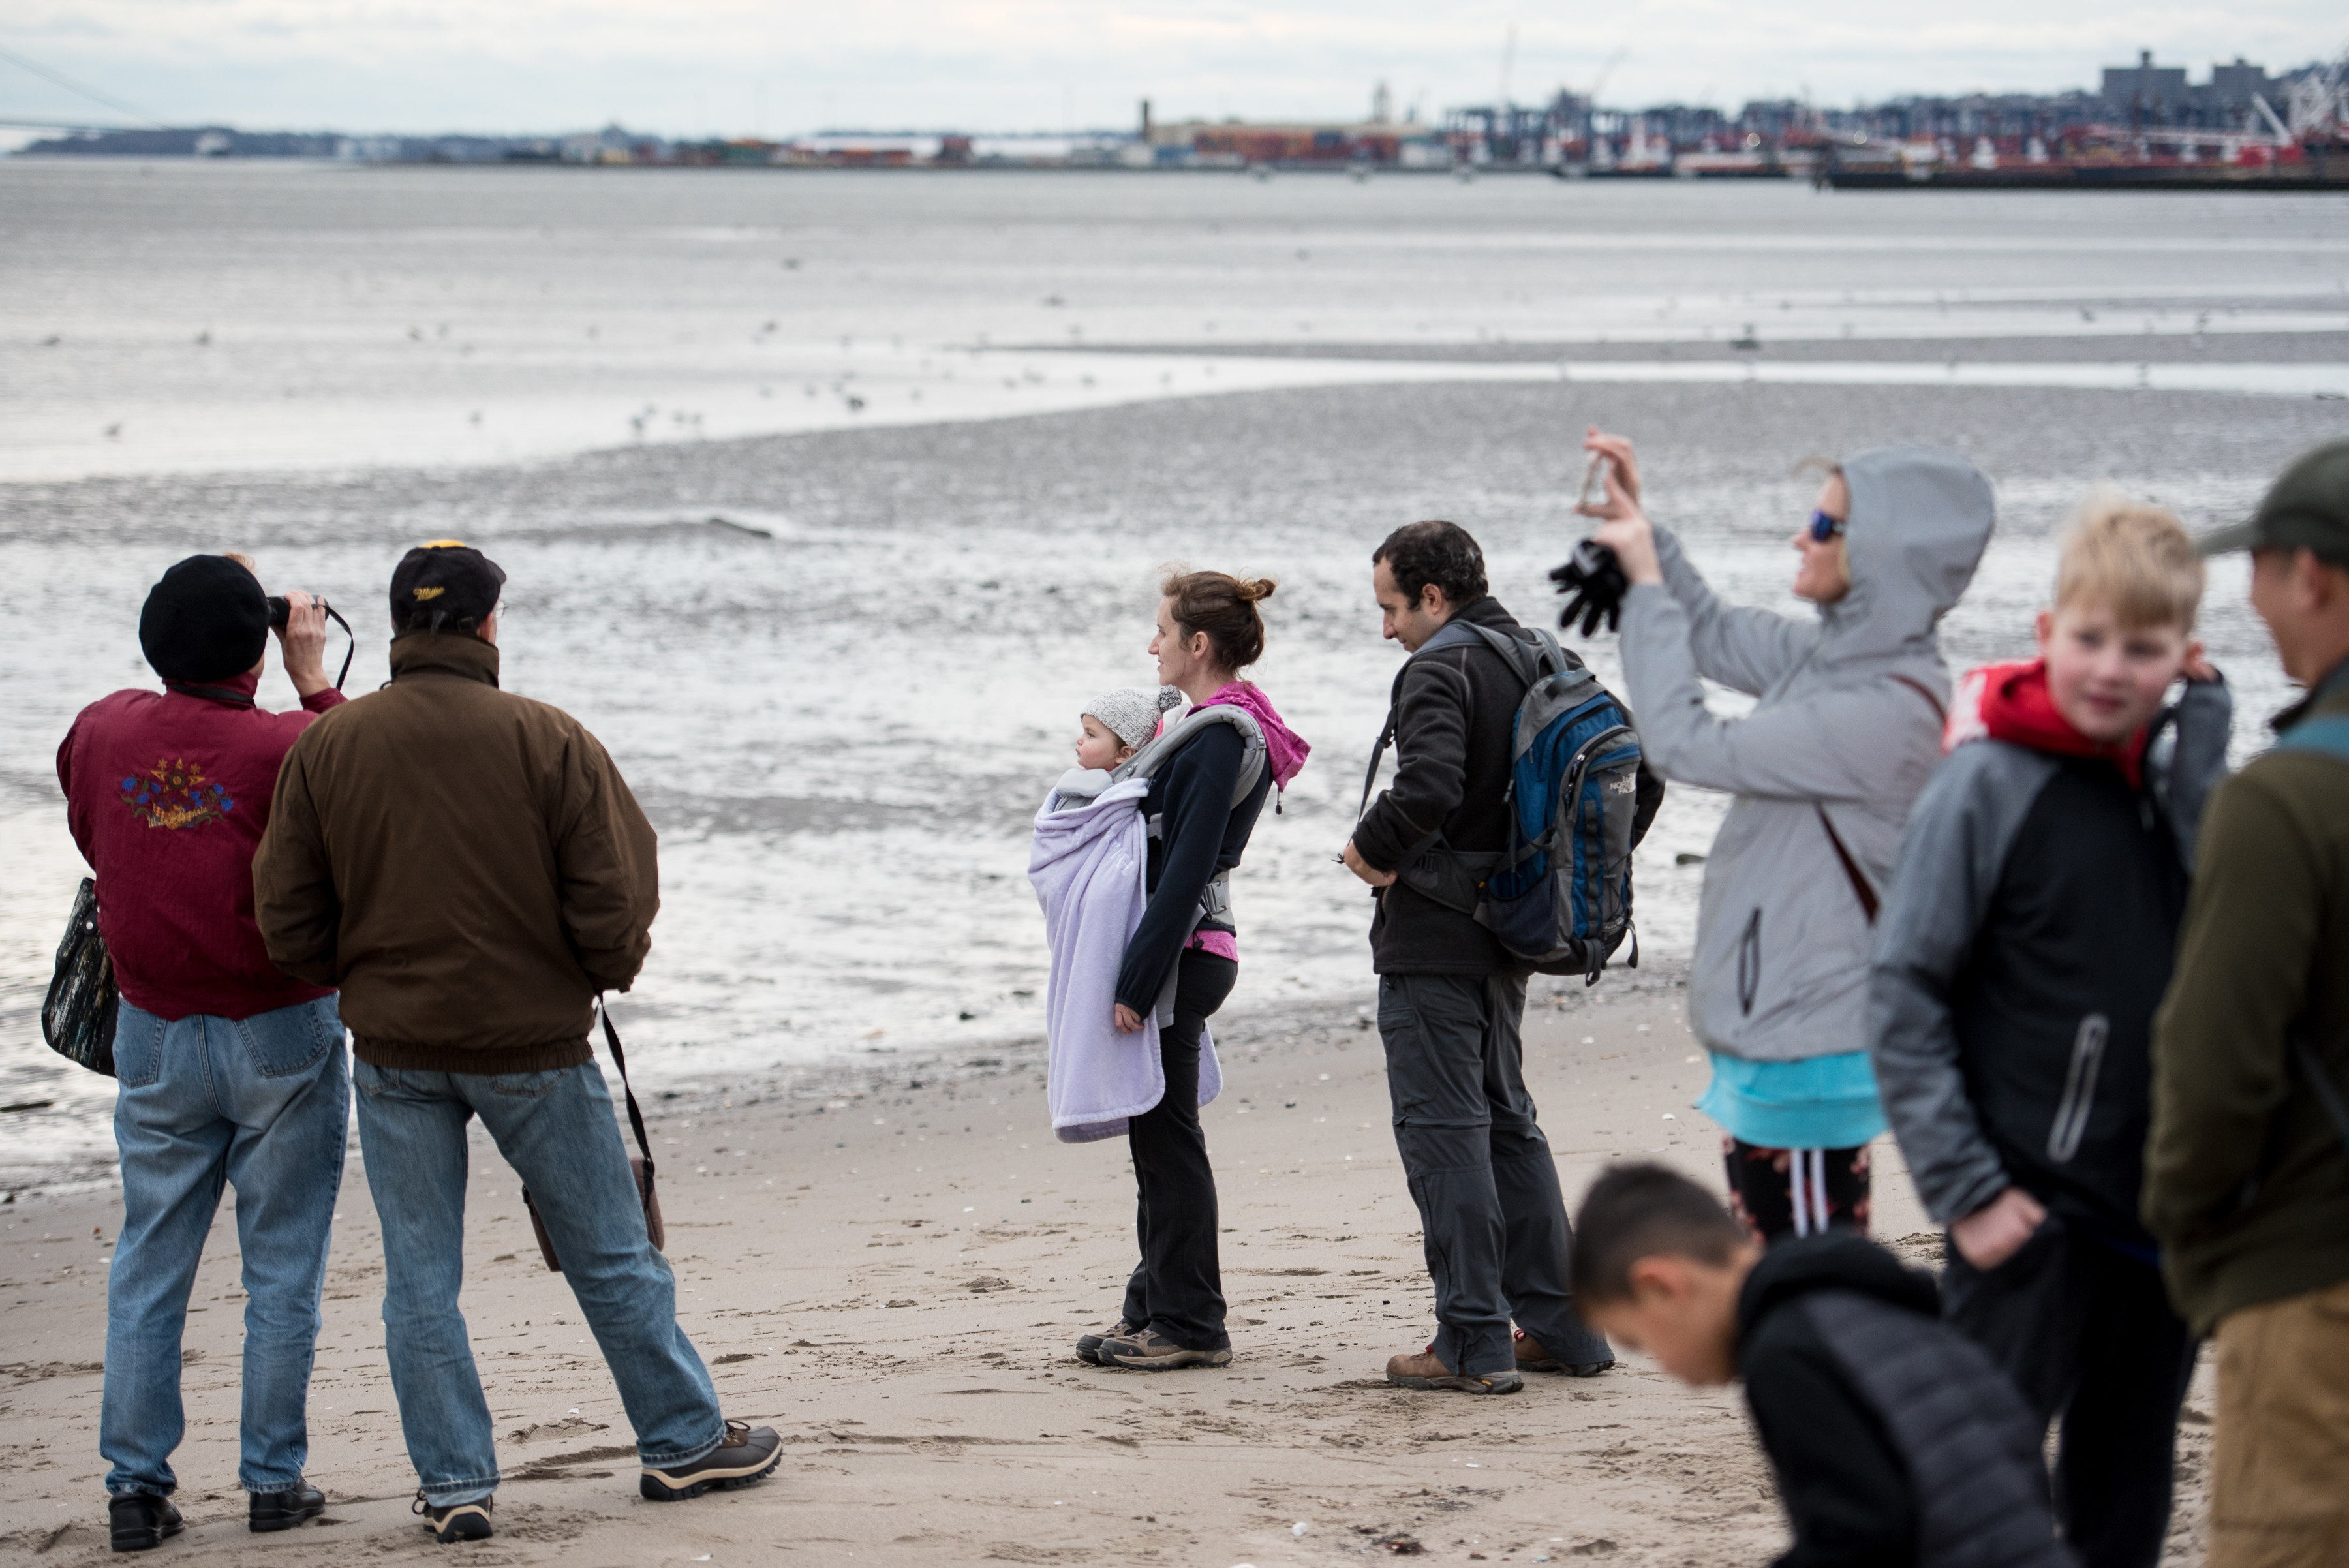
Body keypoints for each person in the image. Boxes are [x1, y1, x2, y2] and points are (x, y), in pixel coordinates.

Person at [251, 541, 778, 1543]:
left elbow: (286, 913)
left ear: (399, 627)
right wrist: (594, 972)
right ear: (490, 625)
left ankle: (455, 1482)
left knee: (422, 1279)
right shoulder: (549, 736)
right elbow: (617, 896)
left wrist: (357, 975)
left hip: (396, 1049)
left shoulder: (330, 745)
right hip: (534, 1044)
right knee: (613, 1254)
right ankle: (681, 1440)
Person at [1869, 497, 2227, 1568]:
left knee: (2125, 1489)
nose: (2111, 669)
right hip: (2024, 1212)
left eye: (2143, 648)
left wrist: (2200, 748)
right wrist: (1968, 1189)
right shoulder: (1988, 782)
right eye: (2090, 639)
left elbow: (2232, 955)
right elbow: (1901, 990)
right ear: (2045, 632)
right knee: (1978, 1494)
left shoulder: (2183, 791)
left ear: (2187, 660)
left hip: (2160, 1221)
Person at [1580, 430, 1995, 1243]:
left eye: (1826, 525)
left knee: (1810, 1302)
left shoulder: (1886, 705)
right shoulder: (1839, 661)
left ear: (1883, 555)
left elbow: (1686, 745)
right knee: (1792, 1298)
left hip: (1813, 1050)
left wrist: (1646, 585)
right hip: (1785, 1034)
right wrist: (1646, 534)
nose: (1802, 537)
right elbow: (1718, 634)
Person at [57, 555, 346, 1552]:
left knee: (150, 1261)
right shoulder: (289, 746)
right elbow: (357, 805)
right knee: (283, 1265)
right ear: (257, 648)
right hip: (282, 1026)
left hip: (156, 1031)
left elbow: (96, 836)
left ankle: (135, 1488)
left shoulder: (103, 728)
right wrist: (312, 673)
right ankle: (273, 1478)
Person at [1343, 520, 1618, 1394]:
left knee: (1444, 1129)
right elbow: (1631, 775)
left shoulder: (1439, 665)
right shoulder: (1544, 653)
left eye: (1392, 607)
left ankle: (1469, 1337)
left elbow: (1429, 785)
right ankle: (1564, 1325)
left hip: (1434, 929)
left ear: (1433, 594)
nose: (1387, 628)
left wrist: (1369, 848)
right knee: (1507, 1120)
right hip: (1517, 926)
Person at [2145, 436, 2349, 1568]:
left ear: (2308, 575)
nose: (2255, 597)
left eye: (2261, 568)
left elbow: (2214, 1076)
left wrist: (2190, 1241)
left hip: (2315, 1288)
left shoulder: (2289, 801)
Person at [1571, 1164, 2075, 1568]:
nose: (1662, 1365)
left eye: (1642, 1340)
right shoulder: (1870, 1301)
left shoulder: (1785, 1353)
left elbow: (1860, 1538)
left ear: (1664, 1286)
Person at [1080, 572, 1308, 1372]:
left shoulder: (1218, 736)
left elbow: (1184, 869)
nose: (1152, 645)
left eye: (1162, 632)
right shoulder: (1215, 724)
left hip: (1184, 952)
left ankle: (1191, 1323)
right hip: (1187, 948)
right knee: (1158, 1135)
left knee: (1168, 1140)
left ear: (1197, 645)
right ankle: (1153, 1306)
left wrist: (1136, 983)